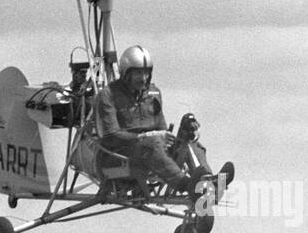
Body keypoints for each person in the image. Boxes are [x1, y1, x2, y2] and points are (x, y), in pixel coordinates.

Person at [95, 45, 233, 196]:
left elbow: (162, 131)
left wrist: (182, 132)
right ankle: (187, 185)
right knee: (152, 144)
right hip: (119, 156)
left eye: (146, 73)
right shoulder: (108, 95)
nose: (143, 78)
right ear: (126, 73)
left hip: (151, 152)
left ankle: (207, 179)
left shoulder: (153, 94)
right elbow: (110, 136)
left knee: (188, 141)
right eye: (138, 73)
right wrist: (145, 137)